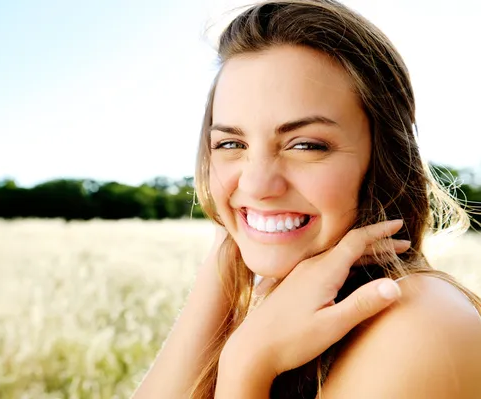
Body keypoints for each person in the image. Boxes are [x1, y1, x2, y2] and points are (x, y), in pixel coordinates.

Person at [132, 1, 481, 398]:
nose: (259, 183)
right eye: (231, 143)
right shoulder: (286, 298)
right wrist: (225, 257)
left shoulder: (419, 326)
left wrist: (246, 366)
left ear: (383, 157)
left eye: (306, 145)